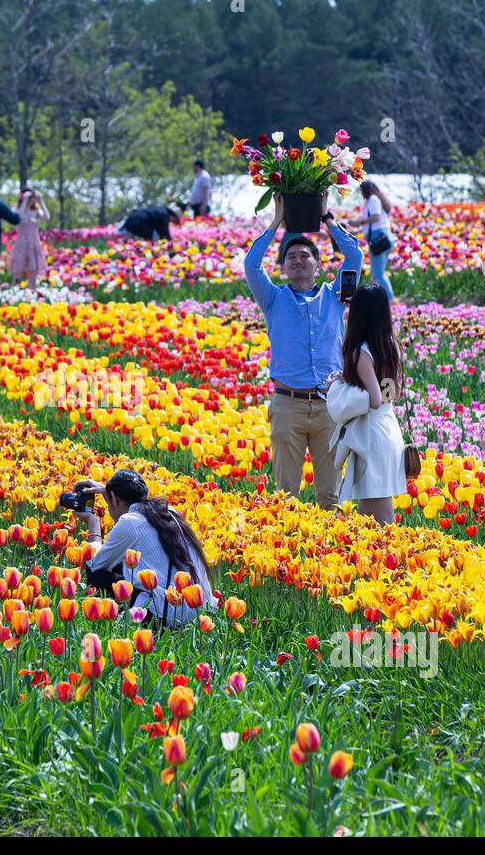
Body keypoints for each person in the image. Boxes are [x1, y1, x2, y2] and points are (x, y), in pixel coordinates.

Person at [243, 192, 362, 508]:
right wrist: (277, 222)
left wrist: (326, 217)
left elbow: (355, 258)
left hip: (328, 406)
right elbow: (251, 265)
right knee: (285, 497)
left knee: (330, 497)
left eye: (304, 255)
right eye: (291, 257)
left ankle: (330, 555)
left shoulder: (336, 295)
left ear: (318, 264)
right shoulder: (272, 299)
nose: (297, 259)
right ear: (283, 267)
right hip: (287, 405)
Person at [73, 469, 215, 630]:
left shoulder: (130, 522)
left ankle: (124, 626)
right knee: (124, 565)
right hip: (199, 610)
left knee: (98, 578)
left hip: (169, 615)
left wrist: (93, 527)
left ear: (113, 498)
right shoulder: (169, 511)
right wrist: (111, 497)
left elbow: (96, 565)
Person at [329, 285, 406, 524]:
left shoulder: (363, 351)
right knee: (373, 513)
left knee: (378, 517)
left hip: (372, 435)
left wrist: (341, 384)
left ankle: (396, 558)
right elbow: (392, 392)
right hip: (388, 427)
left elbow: (373, 398)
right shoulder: (391, 345)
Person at [359, 179, 395, 300]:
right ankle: (383, 299)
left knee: (377, 273)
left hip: (378, 239)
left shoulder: (373, 199)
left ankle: (389, 300)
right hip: (382, 237)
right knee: (378, 272)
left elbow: (375, 217)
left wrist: (360, 222)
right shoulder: (375, 199)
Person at [8, 188, 49, 289]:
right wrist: (25, 200)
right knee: (18, 272)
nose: (32, 201)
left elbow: (47, 217)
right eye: (31, 199)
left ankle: (32, 292)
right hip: (22, 243)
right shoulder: (18, 210)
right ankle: (15, 292)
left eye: (33, 199)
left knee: (33, 272)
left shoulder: (36, 211)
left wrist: (41, 201)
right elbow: (20, 217)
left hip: (34, 243)